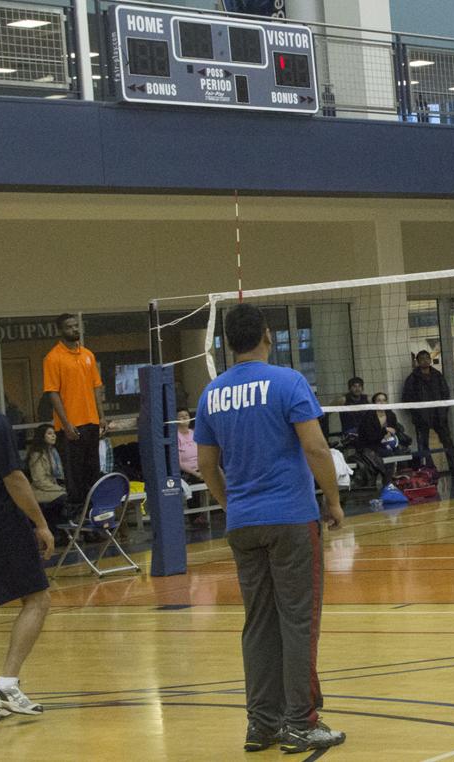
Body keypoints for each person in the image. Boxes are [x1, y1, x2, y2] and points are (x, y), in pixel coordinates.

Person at [193, 303, 346, 754]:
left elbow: (206, 465)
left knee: (258, 624)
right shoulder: (288, 382)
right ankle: (300, 722)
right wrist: (334, 501)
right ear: (267, 335)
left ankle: (262, 725)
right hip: (291, 519)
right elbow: (316, 447)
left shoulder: (211, 394)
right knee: (298, 621)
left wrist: (230, 503)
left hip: (243, 523)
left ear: (226, 344)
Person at [0, 410, 55, 723]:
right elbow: (13, 477)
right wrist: (40, 523)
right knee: (38, 599)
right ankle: (6, 684)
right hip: (0, 525)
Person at [43, 313, 107, 509]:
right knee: (75, 476)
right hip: (70, 427)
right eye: (70, 327)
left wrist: (101, 417)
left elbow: (96, 387)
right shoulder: (53, 358)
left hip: (91, 422)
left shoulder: (88, 355)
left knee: (93, 472)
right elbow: (52, 393)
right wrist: (66, 423)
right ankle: (79, 520)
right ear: (60, 331)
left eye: (76, 326)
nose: (75, 330)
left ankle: (95, 517)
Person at [402, 350, 454, 479]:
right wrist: (417, 414)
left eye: (427, 358)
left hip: (438, 416)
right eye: (422, 358)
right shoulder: (412, 378)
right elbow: (407, 398)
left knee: (448, 443)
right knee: (423, 446)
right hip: (422, 418)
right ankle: (430, 472)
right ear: (417, 362)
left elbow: (445, 393)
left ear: (430, 359)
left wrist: (443, 411)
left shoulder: (437, 375)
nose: (425, 360)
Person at [355, 392, 410, 487]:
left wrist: (391, 433)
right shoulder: (368, 416)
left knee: (402, 452)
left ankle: (400, 478)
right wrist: (385, 430)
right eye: (379, 400)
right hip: (370, 444)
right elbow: (370, 436)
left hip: (386, 442)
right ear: (374, 403)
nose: (382, 402)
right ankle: (387, 482)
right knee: (388, 454)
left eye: (384, 400)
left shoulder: (391, 414)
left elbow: (394, 429)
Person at [25, 424, 68, 529]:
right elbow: (39, 481)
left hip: (52, 487)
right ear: (42, 436)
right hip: (40, 490)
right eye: (49, 434)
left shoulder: (53, 452)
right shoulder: (36, 454)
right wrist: (60, 489)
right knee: (65, 497)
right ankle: (60, 530)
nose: (54, 436)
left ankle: (65, 530)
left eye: (54, 433)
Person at [176, 408, 202, 481]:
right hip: (187, 473)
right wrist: (196, 474)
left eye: (186, 415)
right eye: (181, 416)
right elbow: (179, 463)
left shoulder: (195, 433)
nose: (184, 417)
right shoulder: (175, 436)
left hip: (202, 469)